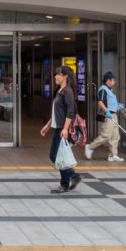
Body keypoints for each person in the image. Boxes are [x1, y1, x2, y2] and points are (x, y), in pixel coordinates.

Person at [40, 65, 82, 194]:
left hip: (62, 129)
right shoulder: (60, 91)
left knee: (55, 156)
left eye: (58, 74)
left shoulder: (67, 91)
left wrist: (65, 129)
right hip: (57, 127)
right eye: (55, 74)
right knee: (57, 156)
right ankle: (71, 178)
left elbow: (70, 112)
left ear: (65, 76)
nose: (55, 76)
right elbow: (57, 112)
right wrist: (47, 126)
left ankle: (70, 179)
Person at [85, 72, 124, 162]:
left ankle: (113, 155)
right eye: (113, 80)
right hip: (108, 115)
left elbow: (111, 102)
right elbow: (100, 102)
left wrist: (118, 106)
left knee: (115, 136)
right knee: (106, 135)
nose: (114, 81)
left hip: (113, 115)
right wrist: (107, 111)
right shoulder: (103, 89)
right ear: (108, 80)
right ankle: (90, 147)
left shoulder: (110, 91)